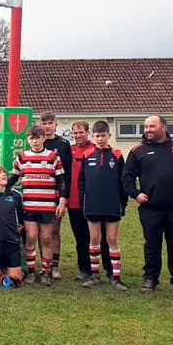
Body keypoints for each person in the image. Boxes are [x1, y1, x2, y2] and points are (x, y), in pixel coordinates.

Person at [122, 114, 173, 295]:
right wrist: (136, 195)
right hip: (150, 208)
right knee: (152, 244)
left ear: (163, 127)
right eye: (146, 127)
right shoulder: (138, 150)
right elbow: (127, 177)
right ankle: (150, 278)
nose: (148, 130)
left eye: (152, 126)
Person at [9, 124, 67, 285]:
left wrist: (62, 200)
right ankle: (31, 271)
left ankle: (46, 272)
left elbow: (62, 181)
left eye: (37, 138)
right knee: (31, 237)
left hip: (47, 205)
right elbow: (13, 178)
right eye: (31, 138)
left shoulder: (53, 157)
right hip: (29, 205)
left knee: (47, 237)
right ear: (28, 140)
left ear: (43, 138)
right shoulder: (22, 157)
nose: (35, 142)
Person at [77, 120, 127, 290]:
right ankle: (94, 275)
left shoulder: (118, 155)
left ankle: (116, 277)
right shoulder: (87, 154)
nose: (100, 139)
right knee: (94, 238)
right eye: (97, 136)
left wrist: (123, 202)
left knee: (111, 239)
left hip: (112, 204)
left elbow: (124, 181)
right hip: (92, 204)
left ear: (109, 135)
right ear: (93, 136)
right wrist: (84, 200)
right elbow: (81, 181)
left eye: (103, 135)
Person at [66, 121, 110, 281]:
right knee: (81, 237)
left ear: (88, 133)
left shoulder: (95, 149)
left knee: (101, 237)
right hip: (74, 201)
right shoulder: (69, 151)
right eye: (75, 133)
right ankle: (84, 268)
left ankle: (108, 267)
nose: (78, 136)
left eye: (81, 132)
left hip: (94, 201)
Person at [39, 112, 73, 279]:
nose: (47, 126)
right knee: (41, 231)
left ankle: (55, 266)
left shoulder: (63, 144)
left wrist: (63, 197)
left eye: (50, 122)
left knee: (54, 230)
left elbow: (66, 174)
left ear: (55, 124)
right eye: (44, 123)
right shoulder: (36, 142)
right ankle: (44, 263)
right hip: (38, 194)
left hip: (56, 194)